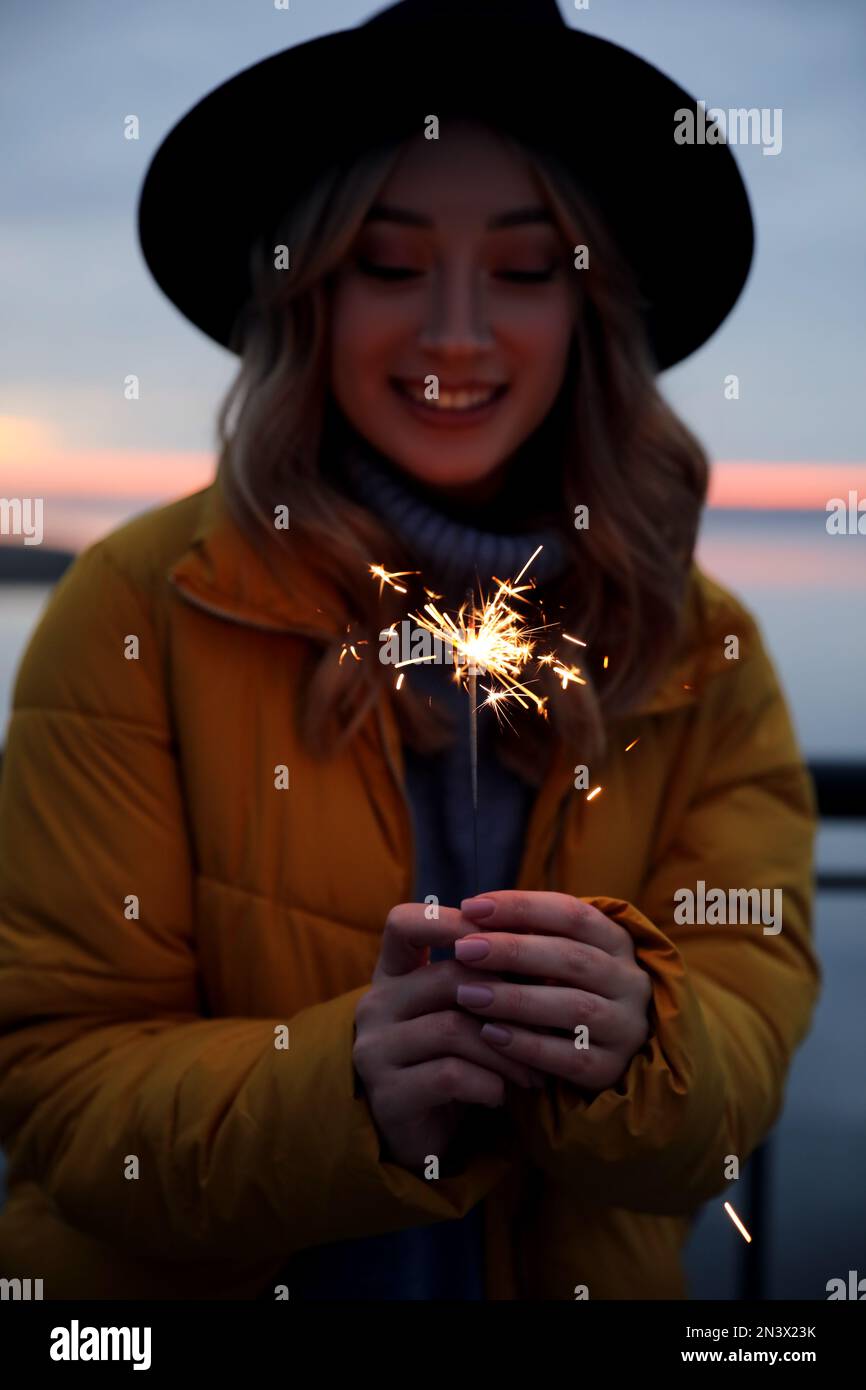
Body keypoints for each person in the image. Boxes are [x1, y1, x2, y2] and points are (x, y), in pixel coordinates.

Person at [0, 0, 819, 1301]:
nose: (452, 332)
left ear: (588, 300)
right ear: (307, 296)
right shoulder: (140, 607)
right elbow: (53, 1088)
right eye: (386, 265)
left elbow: (738, 1056)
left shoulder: (697, 646)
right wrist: (344, 1086)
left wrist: (641, 1042)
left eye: (523, 265)